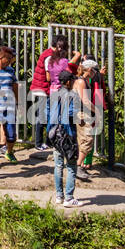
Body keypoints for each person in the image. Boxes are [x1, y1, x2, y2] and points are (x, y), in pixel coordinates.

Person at [29, 36, 66, 154]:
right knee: (42, 116)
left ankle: (44, 141)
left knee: (44, 115)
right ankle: (39, 143)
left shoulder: (47, 53)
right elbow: (49, 76)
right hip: (42, 88)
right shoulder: (49, 56)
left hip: (40, 87)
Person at [50, 70, 81, 207]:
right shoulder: (73, 95)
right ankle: (69, 198)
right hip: (67, 133)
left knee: (58, 165)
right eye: (72, 80)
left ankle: (59, 196)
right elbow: (72, 114)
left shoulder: (54, 94)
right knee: (72, 165)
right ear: (68, 82)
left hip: (54, 133)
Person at [0, 46, 20, 164]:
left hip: (10, 107)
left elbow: (15, 86)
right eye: (7, 59)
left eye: (10, 59)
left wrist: (17, 102)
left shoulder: (10, 70)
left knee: (11, 133)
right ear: (0, 57)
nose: (9, 61)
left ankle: (9, 151)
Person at [73, 59, 100, 178]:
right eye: (95, 69)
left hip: (81, 113)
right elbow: (85, 101)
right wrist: (97, 111)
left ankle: (78, 167)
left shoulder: (82, 80)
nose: (96, 72)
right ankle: (77, 167)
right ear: (89, 69)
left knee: (83, 141)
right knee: (87, 140)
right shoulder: (81, 82)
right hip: (82, 114)